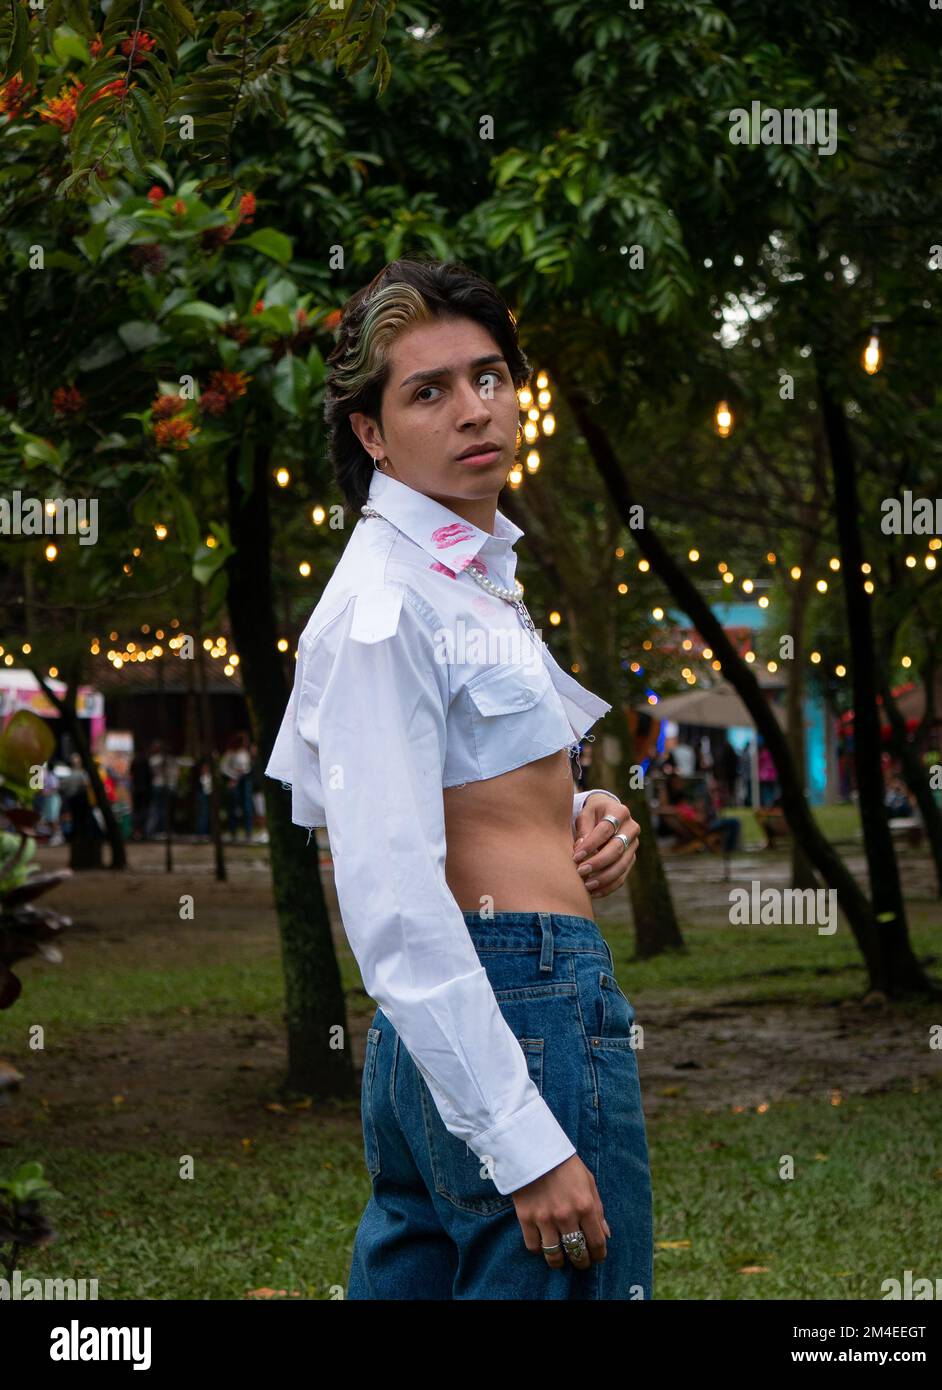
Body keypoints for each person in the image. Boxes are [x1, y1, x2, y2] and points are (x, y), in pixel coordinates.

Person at [264, 256, 651, 1301]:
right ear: (371, 433)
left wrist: (579, 812)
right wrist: (526, 1142)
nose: (473, 408)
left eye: (487, 375)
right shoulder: (388, 602)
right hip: (509, 1005)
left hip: (462, 1021)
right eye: (426, 391)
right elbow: (388, 894)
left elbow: (464, 789)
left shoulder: (462, 579)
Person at [670, 786, 741, 854]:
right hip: (706, 826)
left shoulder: (683, 808)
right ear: (682, 799)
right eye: (685, 799)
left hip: (706, 824)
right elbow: (698, 820)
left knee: (732, 823)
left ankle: (729, 848)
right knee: (734, 822)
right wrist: (700, 815)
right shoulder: (683, 809)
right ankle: (729, 849)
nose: (687, 800)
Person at [220, 733, 253, 840]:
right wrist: (233, 775)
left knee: (247, 806)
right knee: (233, 807)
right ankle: (233, 831)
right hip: (234, 781)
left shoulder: (245, 753)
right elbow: (223, 767)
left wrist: (244, 772)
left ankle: (248, 832)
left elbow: (247, 767)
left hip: (244, 780)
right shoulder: (231, 753)